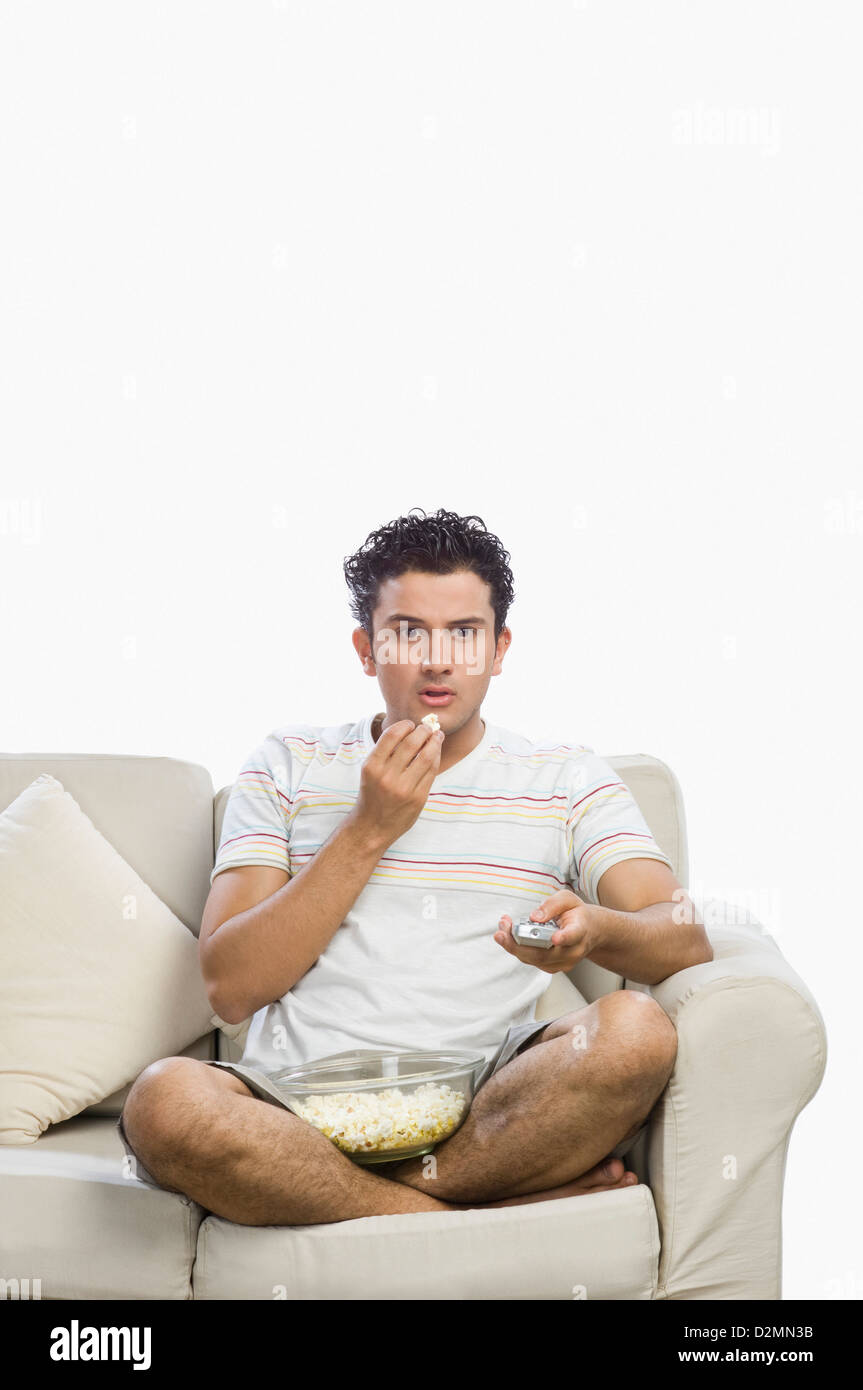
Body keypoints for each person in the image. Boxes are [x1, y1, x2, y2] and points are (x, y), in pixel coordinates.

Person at [119, 507, 710, 1225]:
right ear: (367, 649)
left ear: (499, 649)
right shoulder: (288, 763)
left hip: (484, 1108)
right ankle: (457, 1219)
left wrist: (598, 928)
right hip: (291, 1112)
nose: (438, 660)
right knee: (163, 1101)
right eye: (408, 632)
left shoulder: (563, 776)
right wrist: (368, 828)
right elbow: (232, 988)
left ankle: (367, 1203)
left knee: (635, 1033)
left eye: (464, 633)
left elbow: (683, 934)